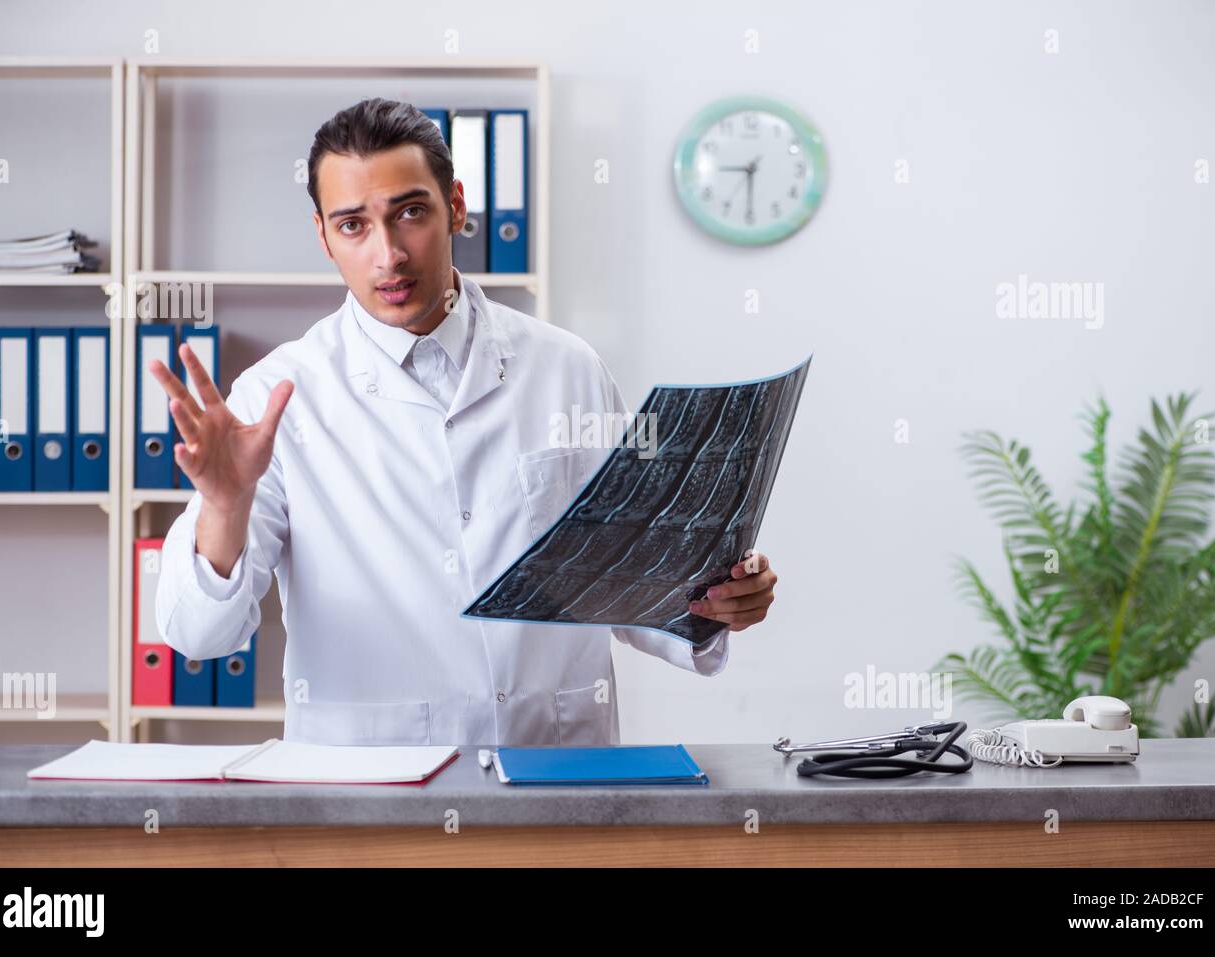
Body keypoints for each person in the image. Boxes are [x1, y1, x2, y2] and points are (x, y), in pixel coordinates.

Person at [153, 98, 779, 746]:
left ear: (455, 205)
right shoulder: (276, 396)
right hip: (370, 792)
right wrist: (224, 505)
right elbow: (198, 635)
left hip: (553, 771)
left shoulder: (567, 368)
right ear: (323, 236)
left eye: (410, 212)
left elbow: (630, 583)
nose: (388, 254)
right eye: (353, 226)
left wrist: (713, 602)